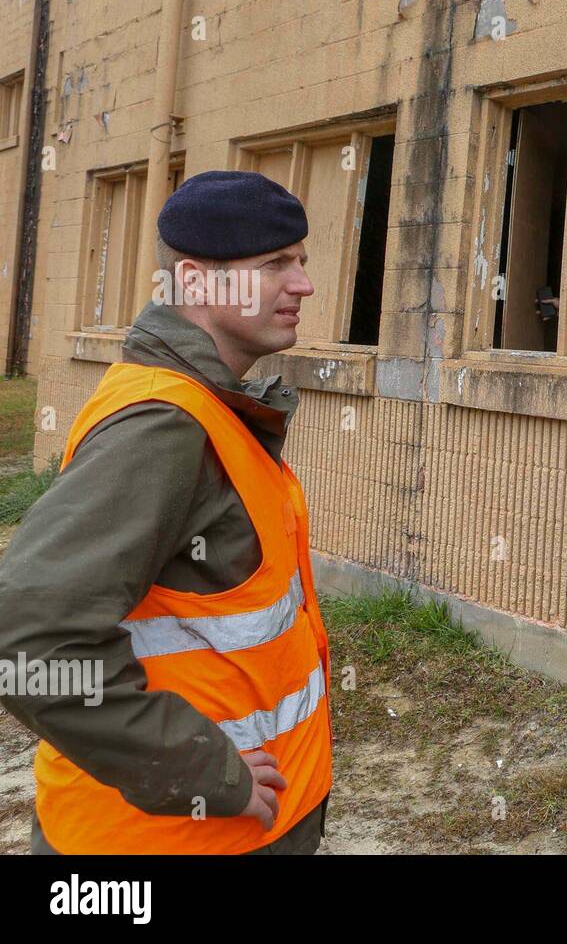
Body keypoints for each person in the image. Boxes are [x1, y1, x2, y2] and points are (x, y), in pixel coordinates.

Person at [0, 170, 333, 854]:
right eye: (275, 265)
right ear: (196, 281)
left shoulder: (210, 407)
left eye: (301, 261)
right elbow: (28, 641)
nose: (303, 285)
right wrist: (203, 773)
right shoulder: (163, 423)